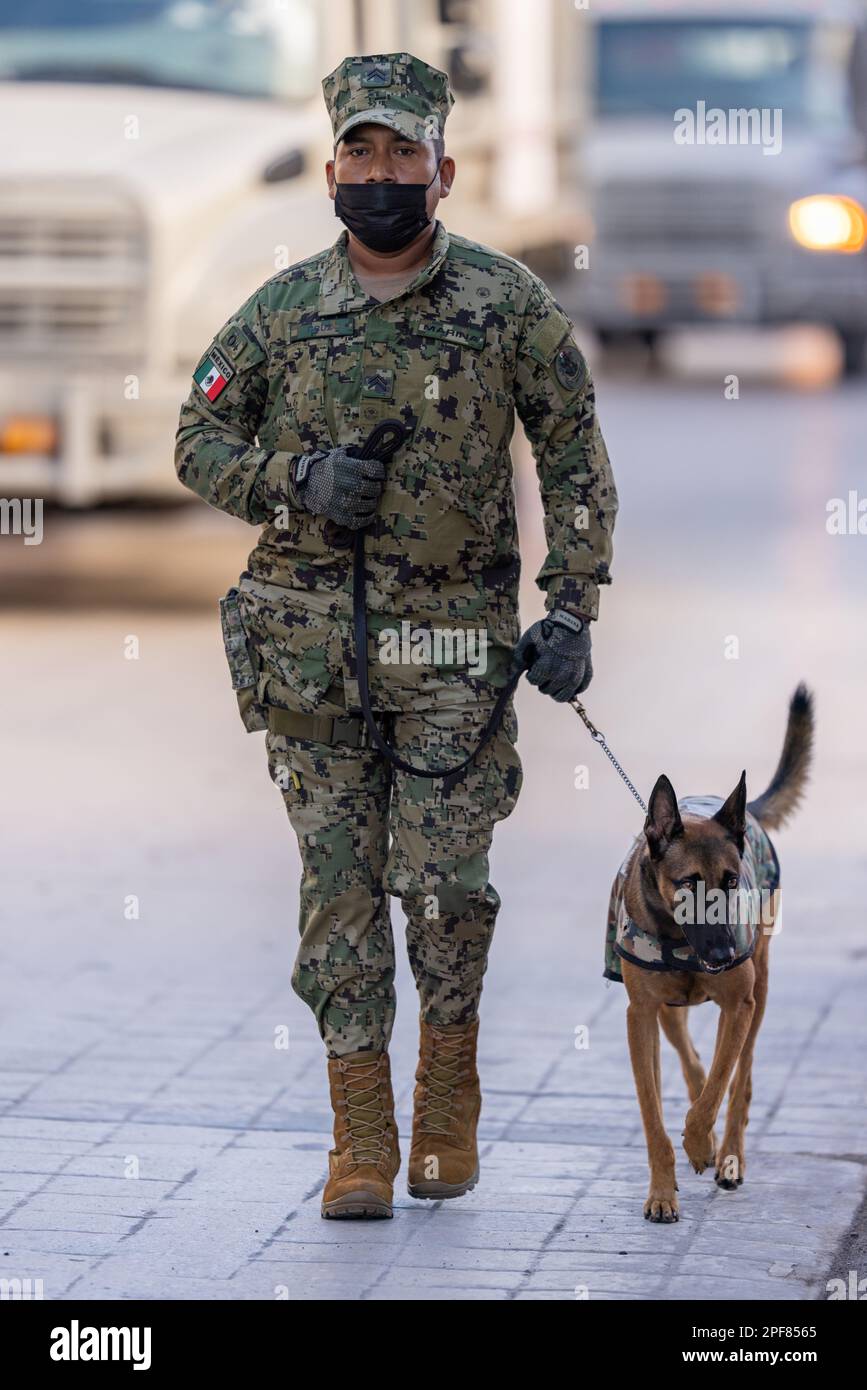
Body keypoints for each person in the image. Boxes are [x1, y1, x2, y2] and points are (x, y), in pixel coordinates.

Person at [174, 52, 618, 1220]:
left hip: (455, 662)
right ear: (330, 171)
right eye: (361, 153)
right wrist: (296, 479)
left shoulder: (503, 304)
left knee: (444, 891)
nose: (381, 173)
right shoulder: (282, 314)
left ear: (444, 170)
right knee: (339, 896)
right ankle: (360, 1141)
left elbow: (574, 455)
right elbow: (196, 443)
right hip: (311, 657)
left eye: (402, 154)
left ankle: (446, 1111)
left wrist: (572, 607)